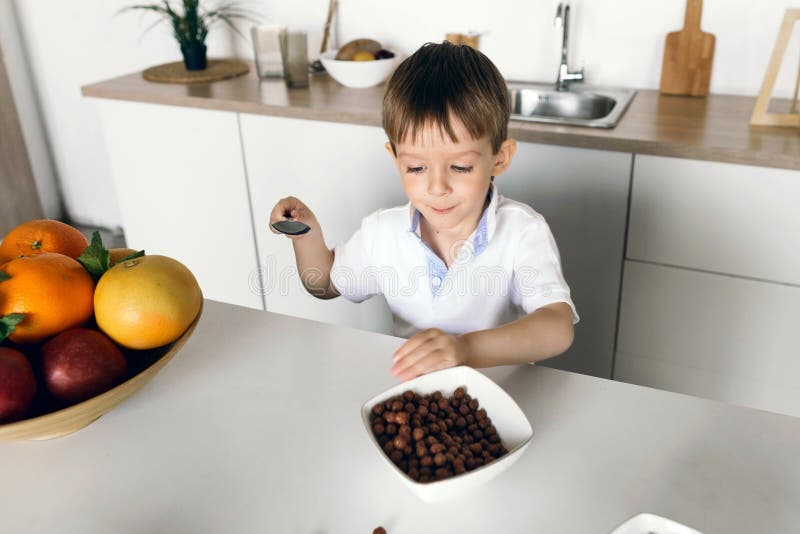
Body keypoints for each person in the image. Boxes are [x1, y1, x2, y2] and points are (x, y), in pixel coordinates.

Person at [269, 41, 578, 381]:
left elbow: (557, 325)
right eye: (416, 168)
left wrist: (466, 349)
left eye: (460, 167)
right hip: (415, 404)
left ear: (499, 159)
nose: (437, 188)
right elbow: (324, 283)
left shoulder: (522, 232)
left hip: (500, 404)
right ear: (395, 159)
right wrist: (305, 232)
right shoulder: (382, 233)